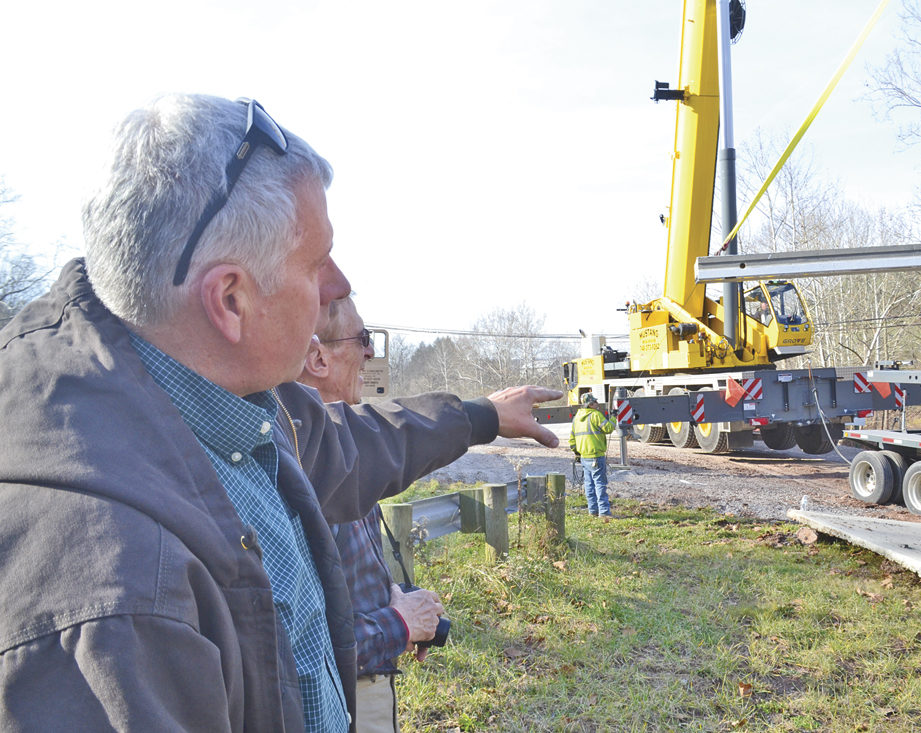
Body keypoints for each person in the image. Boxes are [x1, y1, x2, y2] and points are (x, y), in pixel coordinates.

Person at [0, 94, 560, 732]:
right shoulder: (116, 593)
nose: (334, 285)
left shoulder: (233, 410)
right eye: (315, 260)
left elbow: (353, 445)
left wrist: (481, 415)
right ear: (230, 300)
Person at [297, 296, 441, 733]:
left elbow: (345, 582)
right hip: (344, 700)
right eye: (363, 339)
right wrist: (400, 622)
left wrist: (396, 597)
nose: (371, 352)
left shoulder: (339, 455)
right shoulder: (303, 475)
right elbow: (301, 647)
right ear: (317, 358)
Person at [569, 392, 618, 519]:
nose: (597, 404)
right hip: (596, 455)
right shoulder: (596, 415)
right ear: (590, 404)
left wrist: (577, 453)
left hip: (584, 457)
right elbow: (608, 428)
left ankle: (593, 510)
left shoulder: (576, 418)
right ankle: (604, 512)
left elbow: (572, 440)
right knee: (600, 484)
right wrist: (613, 417)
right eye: (595, 402)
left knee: (589, 484)